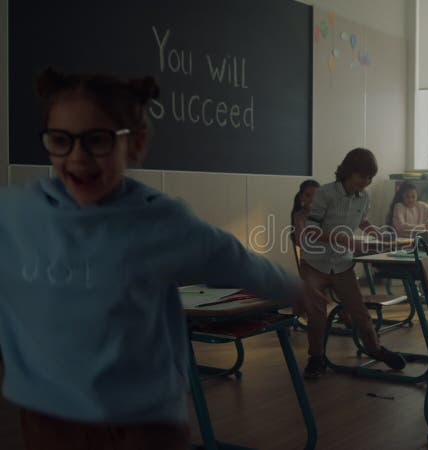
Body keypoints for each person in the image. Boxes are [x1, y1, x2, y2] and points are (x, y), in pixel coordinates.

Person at [0, 68, 303, 450]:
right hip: (49, 420)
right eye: (60, 140)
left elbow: (231, 258)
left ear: (136, 143)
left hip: (141, 423)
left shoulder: (160, 220)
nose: (77, 156)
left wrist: (294, 289)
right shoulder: (14, 214)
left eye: (97, 140)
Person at [299, 148, 406, 378]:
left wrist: (376, 233)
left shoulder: (365, 197)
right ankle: (316, 358)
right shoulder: (325, 194)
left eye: (369, 178)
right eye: (361, 177)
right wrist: (342, 239)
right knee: (317, 314)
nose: (365, 182)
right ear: (348, 172)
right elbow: (311, 229)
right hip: (315, 262)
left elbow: (362, 219)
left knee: (360, 312)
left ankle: (375, 349)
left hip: (342, 263)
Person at [291, 179, 320, 243]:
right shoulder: (298, 216)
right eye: (308, 195)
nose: (312, 199)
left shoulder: (325, 213)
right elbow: (301, 241)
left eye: (316, 195)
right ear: (301, 197)